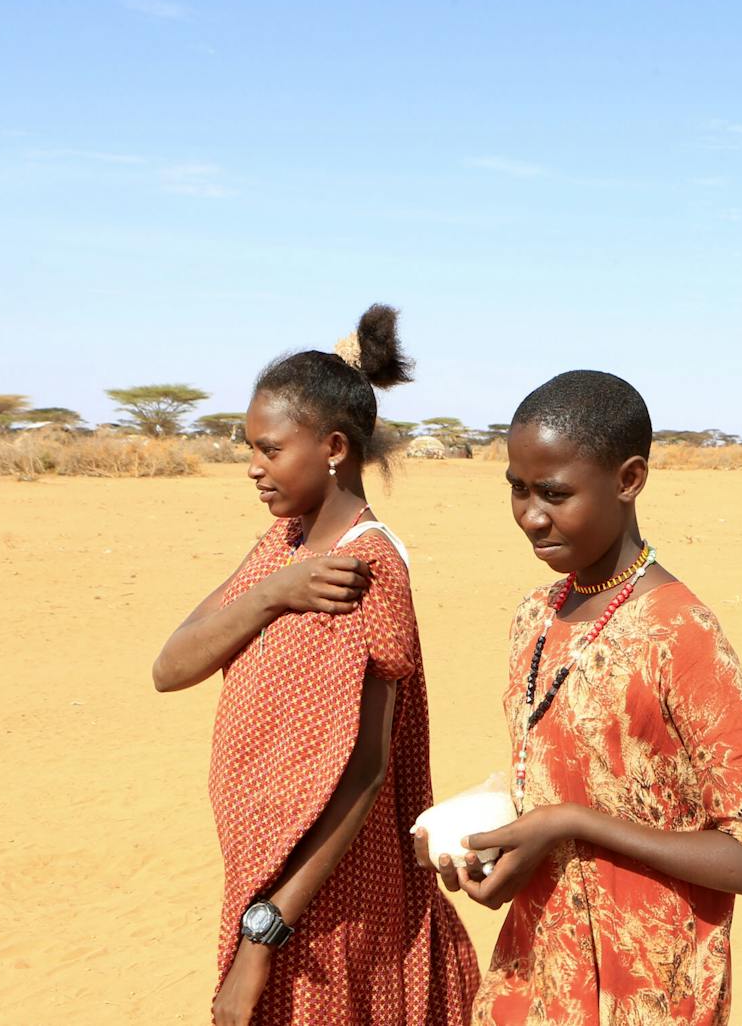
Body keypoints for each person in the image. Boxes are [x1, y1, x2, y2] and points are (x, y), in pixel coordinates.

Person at [420, 369, 742, 1025]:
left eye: (555, 493)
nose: (530, 515)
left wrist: (569, 824)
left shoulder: (681, 635)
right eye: (517, 488)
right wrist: (494, 839)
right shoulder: (535, 618)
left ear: (628, 480)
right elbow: (563, 775)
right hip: (534, 975)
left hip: (646, 991)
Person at [153, 304, 478, 1026]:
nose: (252, 467)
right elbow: (171, 666)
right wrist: (273, 594)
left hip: (330, 905)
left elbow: (366, 773)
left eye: (269, 449)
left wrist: (263, 935)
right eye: (250, 448)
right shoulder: (285, 549)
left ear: (333, 447)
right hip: (262, 878)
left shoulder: (368, 569)